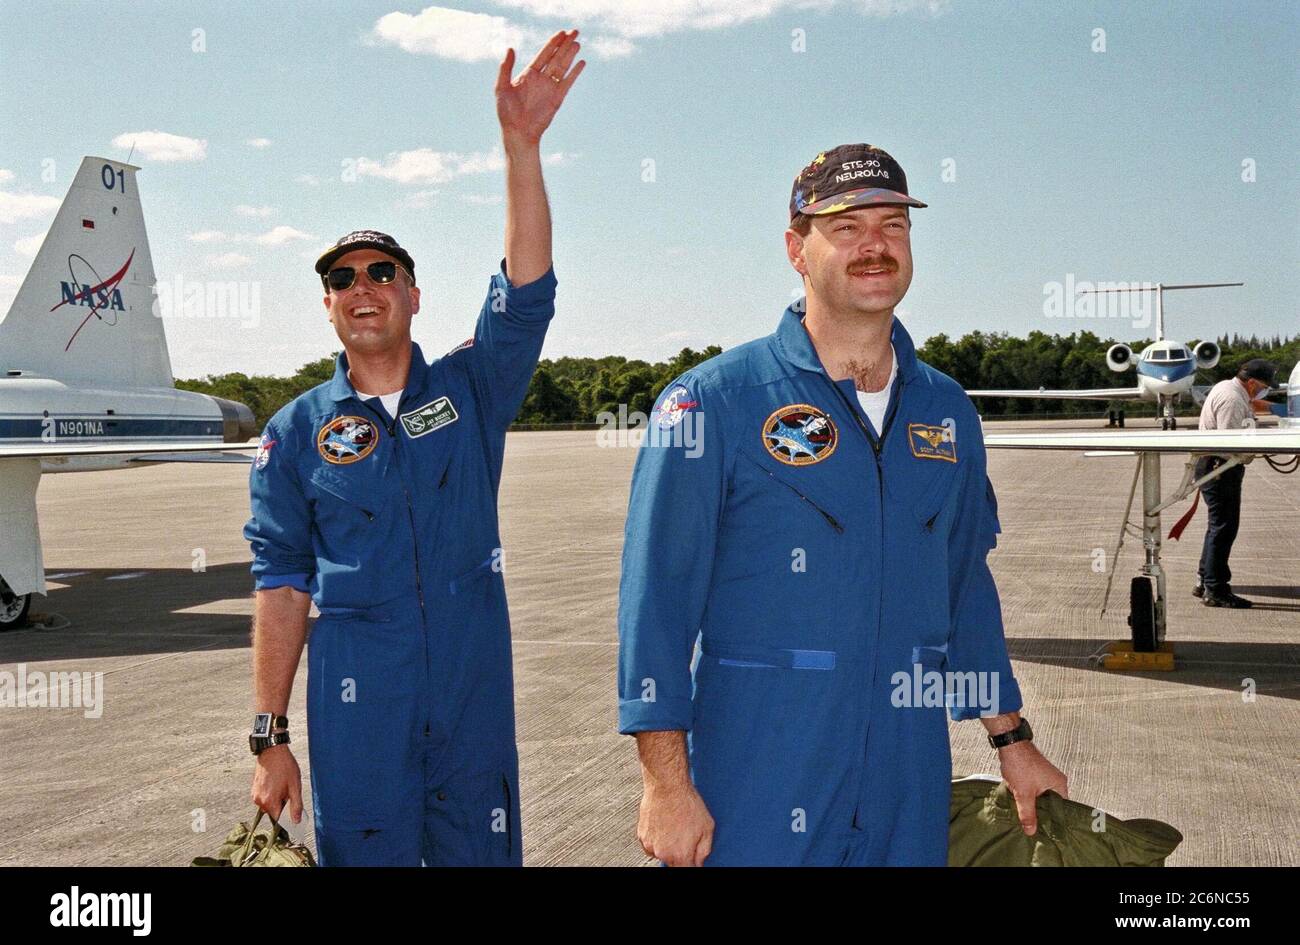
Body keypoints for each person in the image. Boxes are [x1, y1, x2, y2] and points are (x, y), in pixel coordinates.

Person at [617, 143, 1067, 866]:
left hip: (907, 768)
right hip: (760, 761)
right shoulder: (711, 403)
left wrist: (1011, 740)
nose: (875, 245)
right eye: (848, 227)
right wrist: (665, 785)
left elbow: (963, 589)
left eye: (893, 225)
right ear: (798, 248)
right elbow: (657, 604)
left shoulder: (946, 411)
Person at [242, 30, 584, 865]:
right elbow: (282, 582)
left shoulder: (472, 390)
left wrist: (521, 149)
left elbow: (528, 294)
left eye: (382, 271)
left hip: (472, 691)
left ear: (414, 294)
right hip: (361, 698)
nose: (363, 288)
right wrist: (269, 734)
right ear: (328, 308)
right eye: (343, 279)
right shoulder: (293, 434)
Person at [1191, 358, 1278, 609]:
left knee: (1217, 527)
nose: (1264, 391)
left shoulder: (1227, 389)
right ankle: (1215, 589)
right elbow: (1230, 443)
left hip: (1215, 466)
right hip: (1221, 467)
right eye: (1263, 386)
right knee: (1224, 528)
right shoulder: (1232, 399)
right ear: (1251, 382)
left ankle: (1204, 579)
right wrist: (1261, 448)